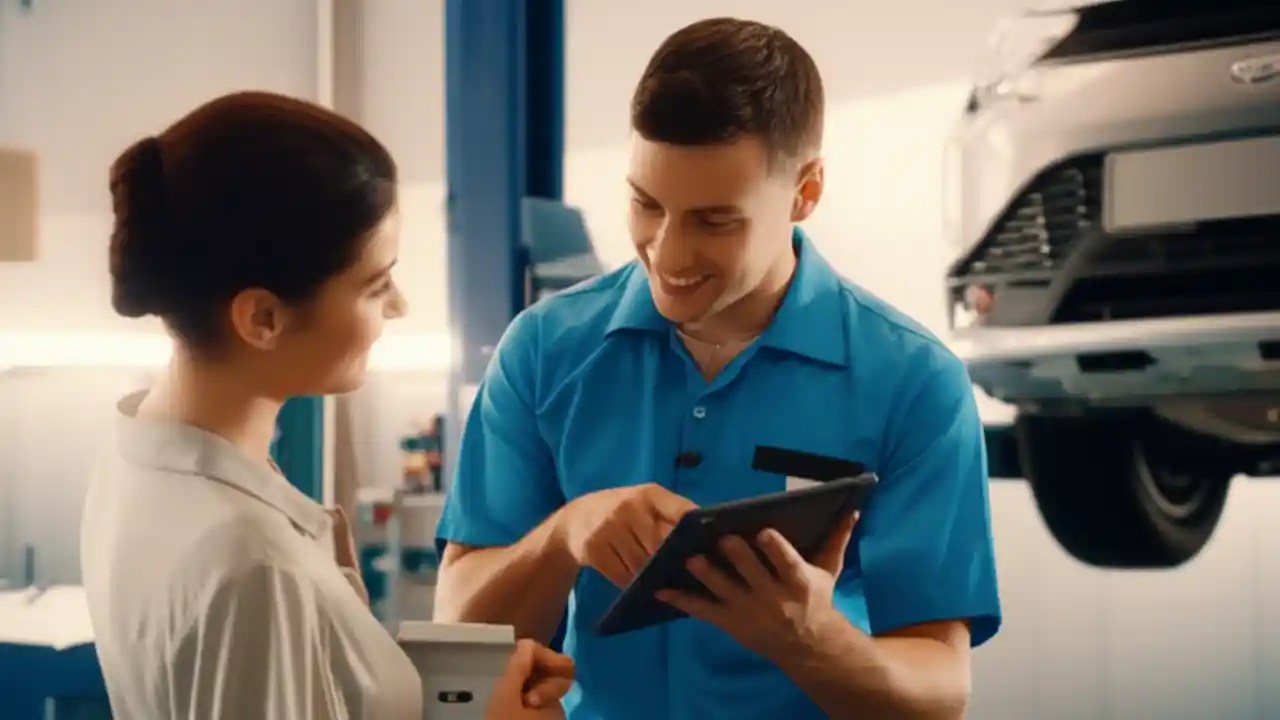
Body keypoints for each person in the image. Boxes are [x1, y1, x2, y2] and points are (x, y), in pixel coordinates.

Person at [434, 16, 1002, 720]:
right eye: (646, 205)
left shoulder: (915, 383)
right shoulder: (544, 349)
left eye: (714, 221)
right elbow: (459, 630)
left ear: (806, 192)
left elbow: (941, 691)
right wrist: (566, 533)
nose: (666, 256)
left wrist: (809, 639)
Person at [80, 91, 575, 720]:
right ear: (262, 317)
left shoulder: (138, 456)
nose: (397, 307)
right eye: (375, 285)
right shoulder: (253, 566)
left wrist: (444, 689)